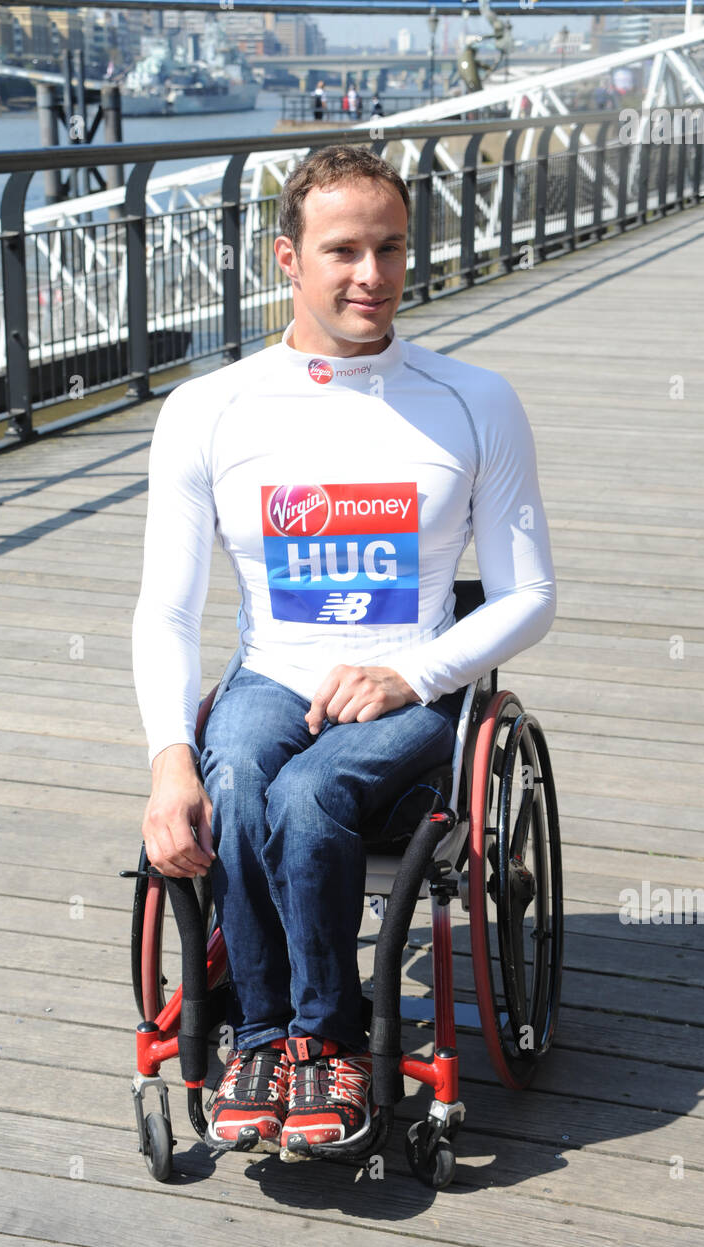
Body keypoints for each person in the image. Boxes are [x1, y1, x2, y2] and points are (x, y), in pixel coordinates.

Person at [132, 145, 556, 1165]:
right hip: (270, 672)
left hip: (413, 690)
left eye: (391, 248)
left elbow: (530, 595)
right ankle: (266, 1040)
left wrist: (411, 673)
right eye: (343, 250)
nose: (372, 274)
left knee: (304, 796)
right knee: (233, 771)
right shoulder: (209, 409)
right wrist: (164, 758)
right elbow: (165, 608)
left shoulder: (472, 400)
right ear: (288, 258)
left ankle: (323, 1033)